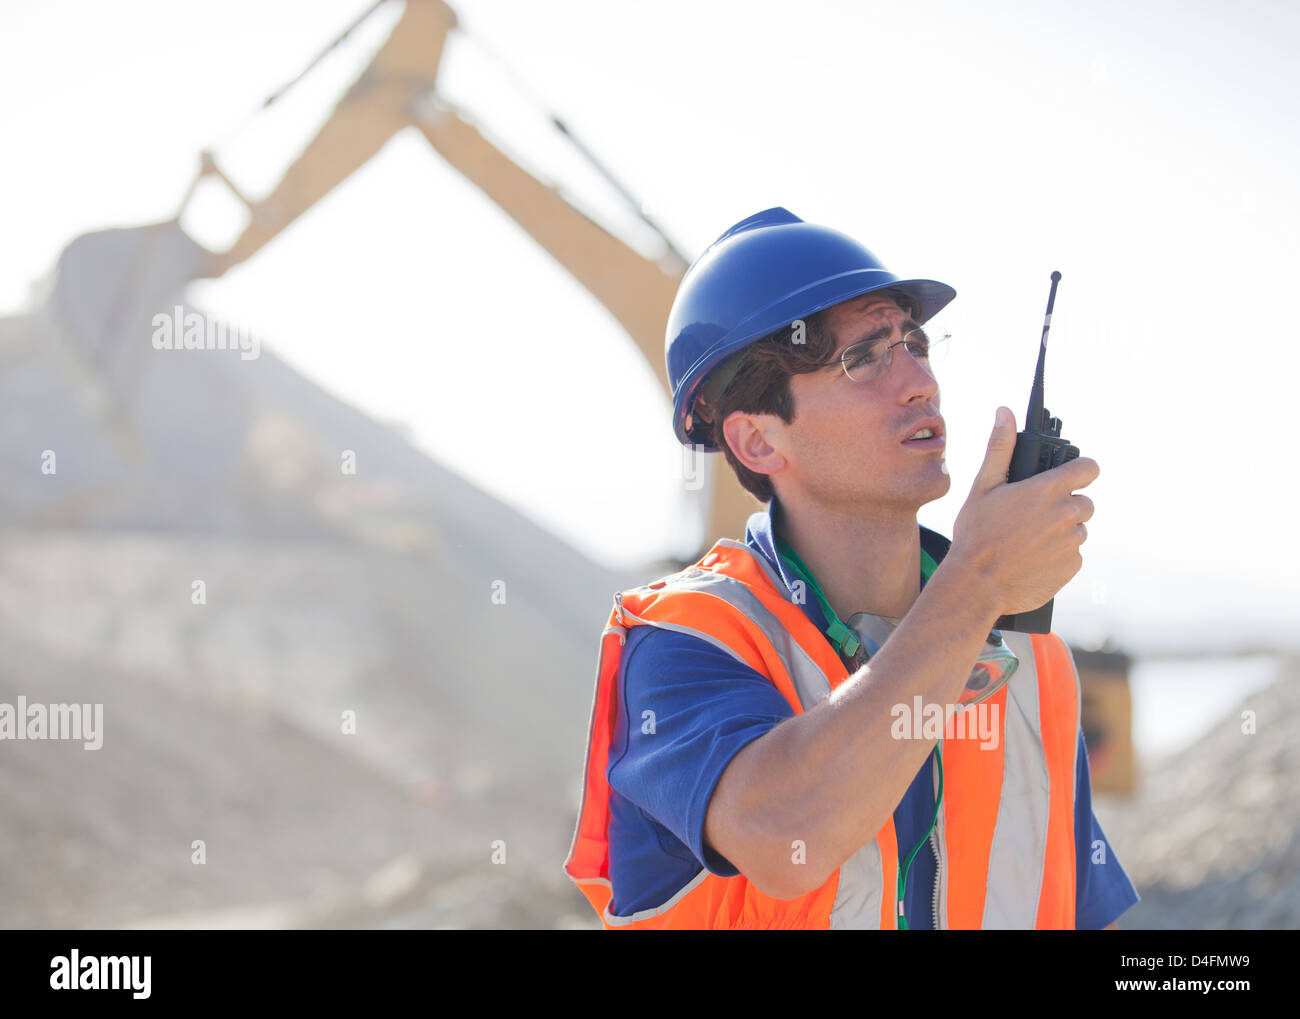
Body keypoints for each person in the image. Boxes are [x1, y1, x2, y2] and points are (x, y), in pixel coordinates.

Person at [564, 208, 1139, 929]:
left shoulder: (1028, 655)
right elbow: (785, 837)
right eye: (863, 358)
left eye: (916, 343)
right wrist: (979, 578)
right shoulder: (686, 639)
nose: (919, 382)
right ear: (758, 441)